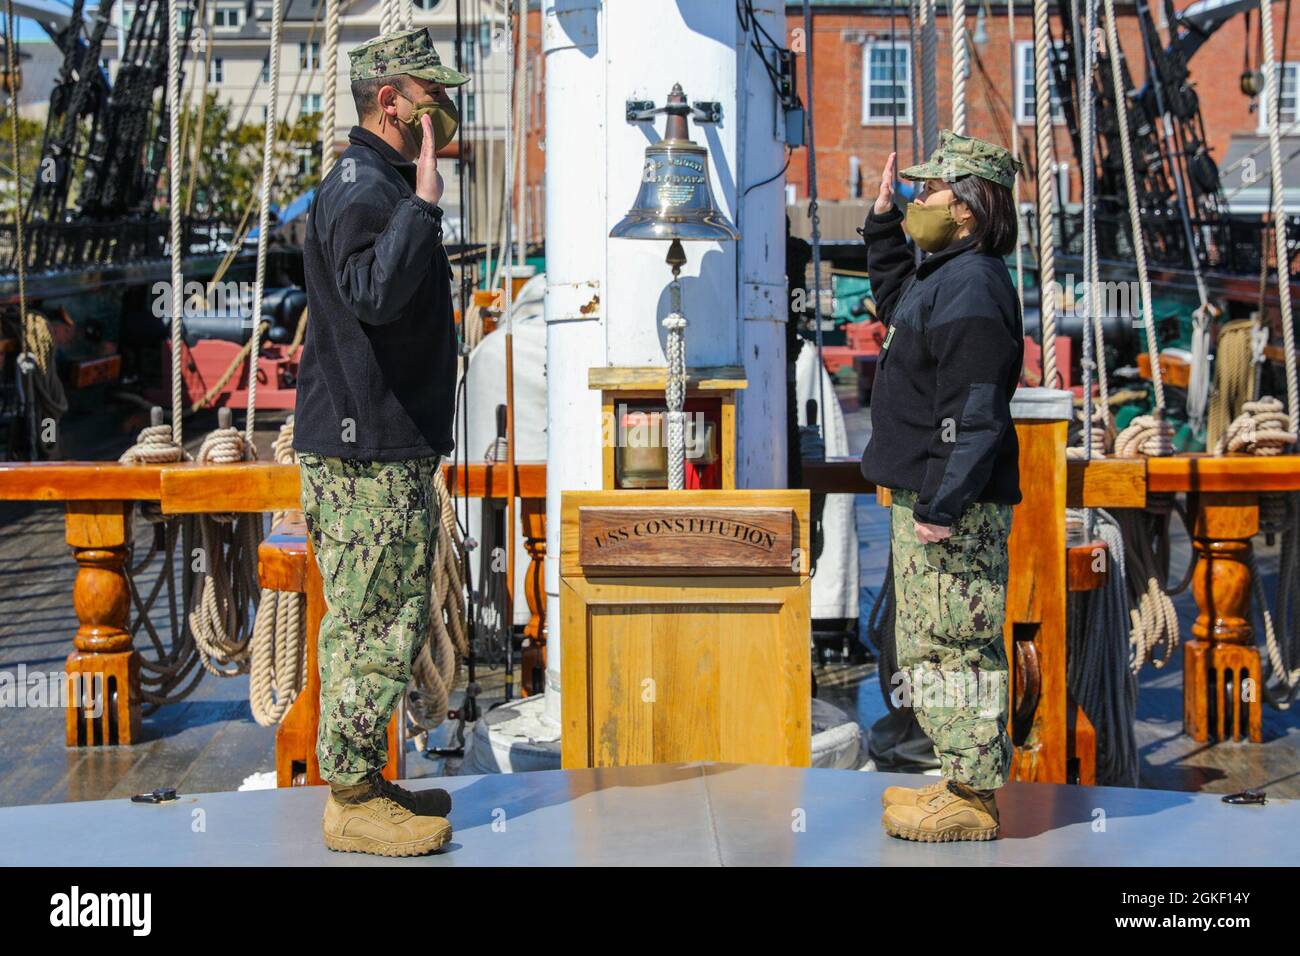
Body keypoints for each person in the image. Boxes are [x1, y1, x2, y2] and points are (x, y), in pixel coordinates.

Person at [293, 27, 469, 857]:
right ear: (391, 101)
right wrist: (424, 203)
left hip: (383, 449)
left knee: (389, 616)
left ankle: (366, 777)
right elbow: (370, 290)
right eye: (430, 93)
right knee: (369, 623)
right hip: (366, 458)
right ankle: (352, 798)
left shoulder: (371, 181)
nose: (443, 105)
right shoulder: (367, 187)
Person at [858, 129, 1025, 842]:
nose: (916, 199)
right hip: (930, 503)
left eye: (926, 192)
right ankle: (958, 779)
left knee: (959, 641)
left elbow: (974, 410)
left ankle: (974, 796)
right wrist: (882, 223)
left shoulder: (975, 285)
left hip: (950, 510)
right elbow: (898, 303)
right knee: (929, 643)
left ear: (965, 208)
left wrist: (943, 505)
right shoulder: (944, 275)